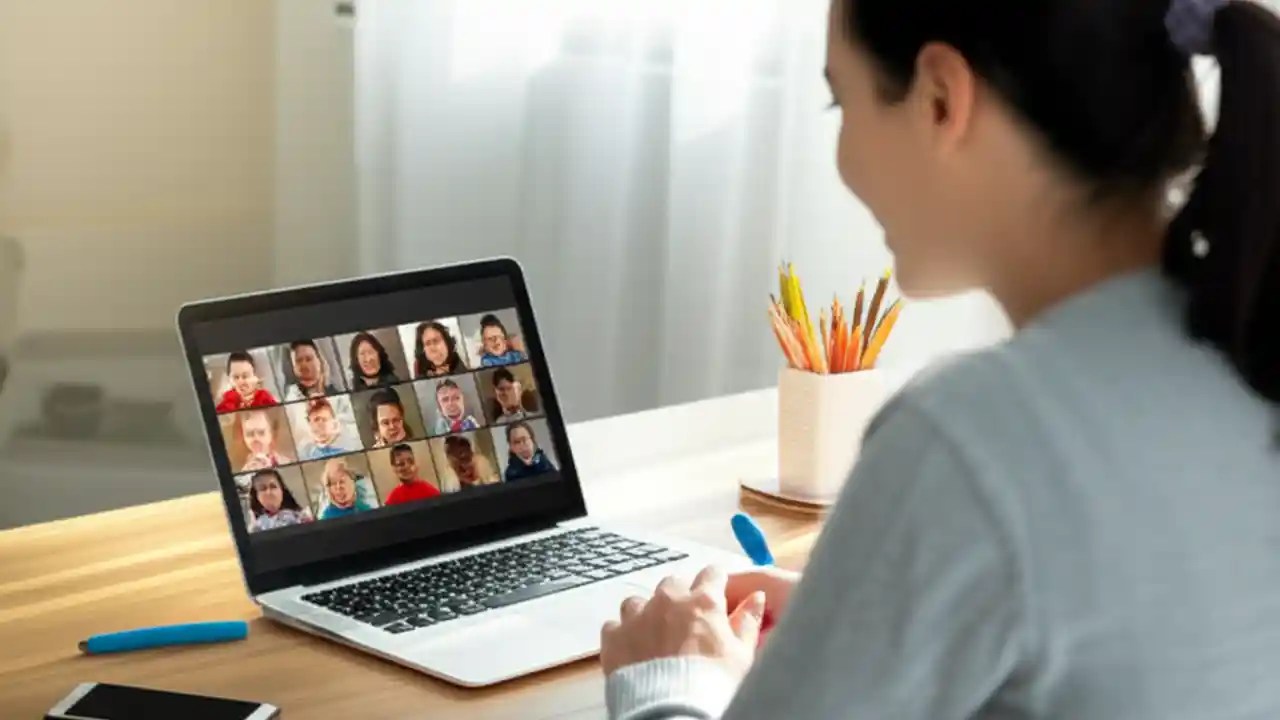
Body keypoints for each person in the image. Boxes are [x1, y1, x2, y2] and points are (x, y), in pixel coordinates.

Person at [600, 1, 1280, 719]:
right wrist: (861, 620)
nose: (844, 161)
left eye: (842, 99)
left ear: (939, 98)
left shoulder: (973, 438)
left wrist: (669, 684)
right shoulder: (1247, 353)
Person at [296, 397, 361, 460]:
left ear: (334, 423)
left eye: (324, 420)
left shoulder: (351, 445)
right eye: (316, 420)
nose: (319, 425)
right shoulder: (305, 451)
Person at [248, 469, 313, 531]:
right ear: (256, 496)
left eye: (273, 486)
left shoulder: (301, 518)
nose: (269, 492)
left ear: (282, 490)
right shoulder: (256, 527)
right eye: (263, 489)